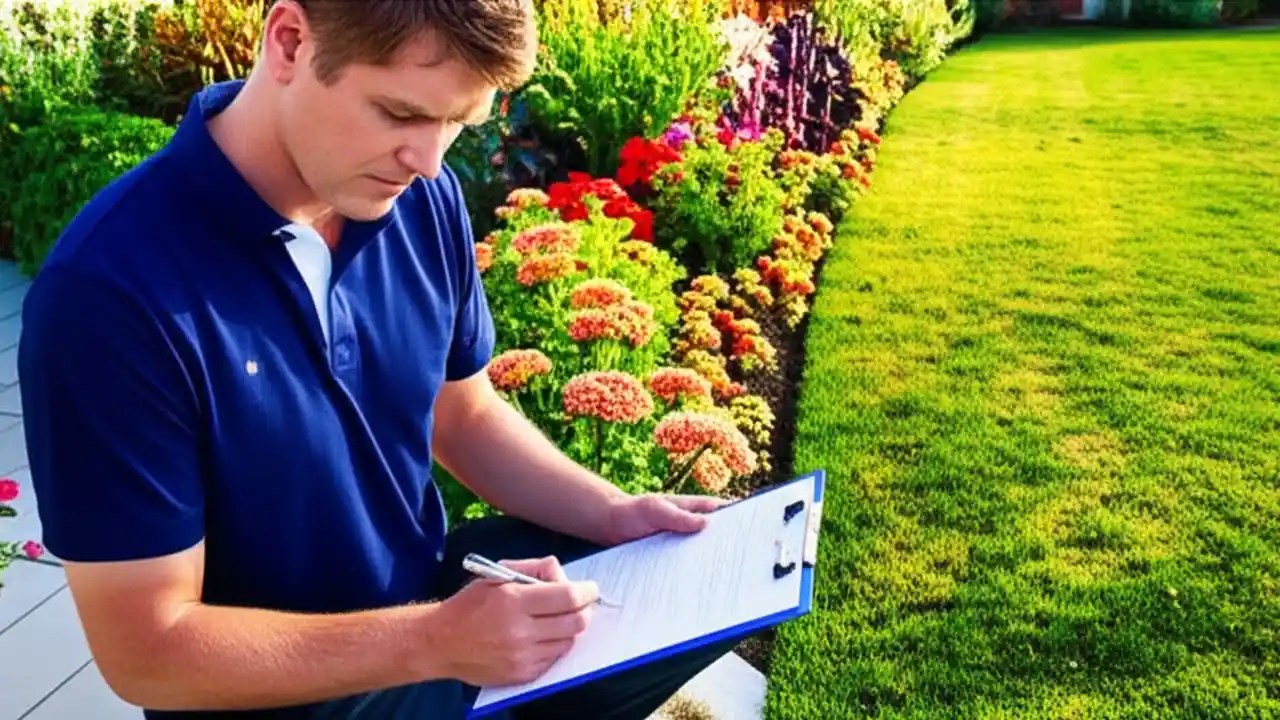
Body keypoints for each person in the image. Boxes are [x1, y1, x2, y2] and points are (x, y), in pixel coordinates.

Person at [17, 1, 741, 718]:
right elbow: (149, 653)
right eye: (400, 114)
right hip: (279, 697)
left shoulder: (421, 202)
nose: (429, 162)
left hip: (427, 609)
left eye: (458, 123)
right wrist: (435, 642)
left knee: (705, 579)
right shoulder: (110, 296)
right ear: (291, 41)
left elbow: (461, 416)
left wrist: (616, 515)